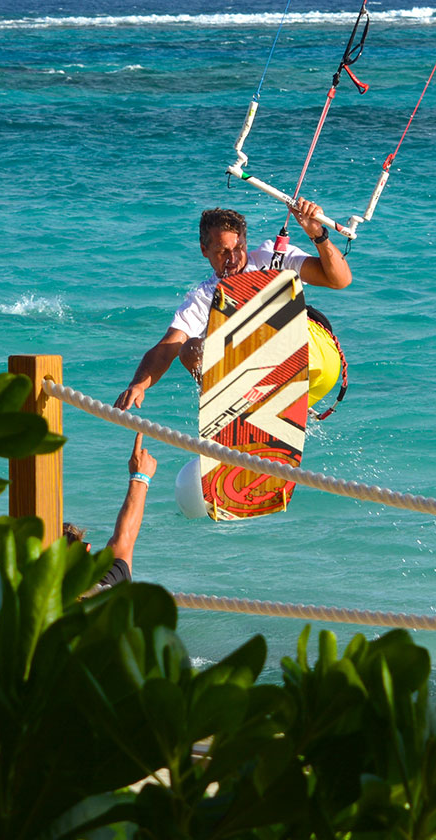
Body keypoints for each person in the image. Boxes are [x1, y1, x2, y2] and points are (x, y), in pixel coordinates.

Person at [114, 199, 352, 412]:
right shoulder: (204, 297)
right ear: (204, 250)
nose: (233, 259)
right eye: (223, 252)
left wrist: (318, 234)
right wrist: (139, 384)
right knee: (191, 350)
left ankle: (241, 405)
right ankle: (240, 409)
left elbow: (340, 280)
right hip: (294, 384)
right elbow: (168, 346)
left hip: (317, 353)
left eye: (239, 248)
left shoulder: (271, 256)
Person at [64, 432, 157, 589]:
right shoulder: (104, 584)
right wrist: (140, 476)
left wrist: (140, 479)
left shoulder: (27, 593)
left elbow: (124, 538)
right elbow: (125, 537)